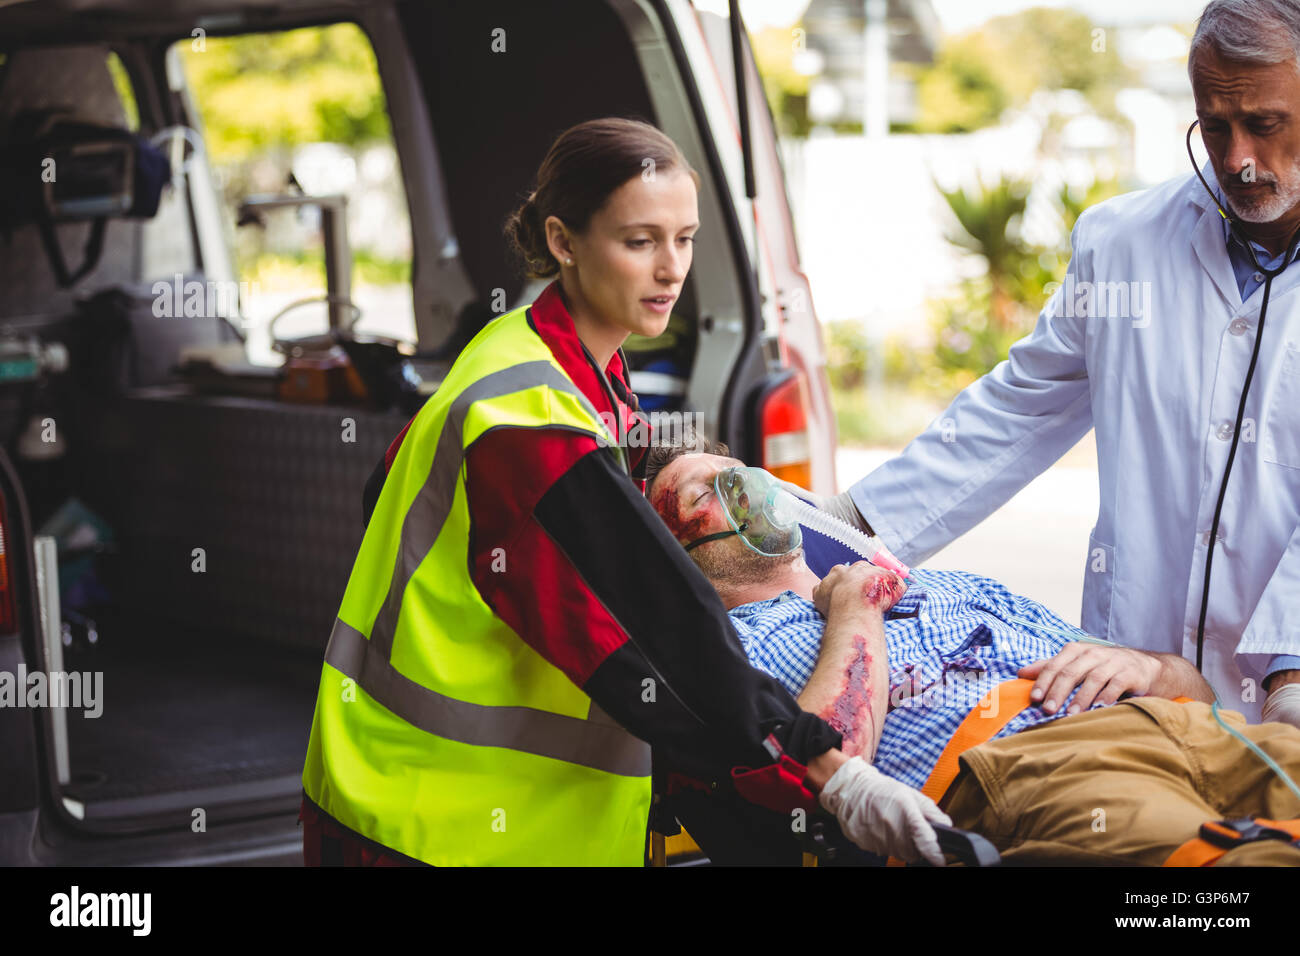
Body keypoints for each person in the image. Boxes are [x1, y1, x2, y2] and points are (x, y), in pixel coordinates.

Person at [299, 117, 947, 867]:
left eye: (685, 237)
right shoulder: (528, 420)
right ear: (564, 241)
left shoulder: (539, 356)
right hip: (435, 821)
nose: (672, 269)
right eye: (640, 242)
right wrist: (829, 774)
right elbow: (659, 629)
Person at [792, 0, 1300, 728]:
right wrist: (845, 525)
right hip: (1126, 690)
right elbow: (1012, 414)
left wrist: (1290, 675)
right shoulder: (1125, 245)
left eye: (1265, 124)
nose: (1238, 159)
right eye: (1214, 127)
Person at [646, 441, 1300, 865]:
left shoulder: (955, 584)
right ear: (669, 552)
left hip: (1188, 727)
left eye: (735, 476)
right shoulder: (732, 653)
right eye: (696, 494)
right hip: (1031, 770)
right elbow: (828, 765)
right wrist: (856, 605)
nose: (731, 493)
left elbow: (1199, 689)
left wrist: (1152, 668)